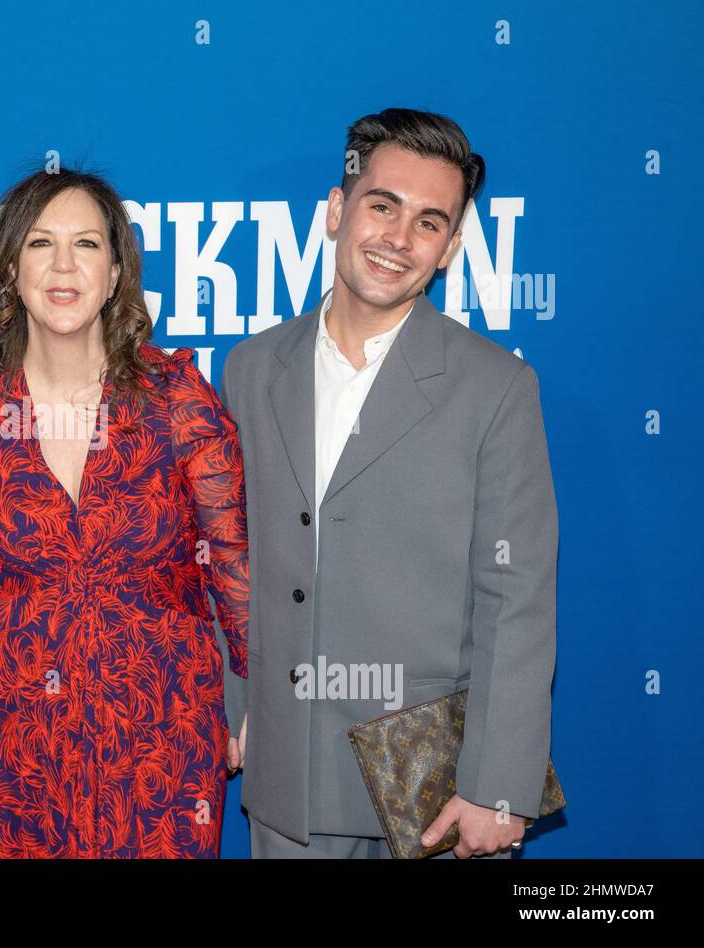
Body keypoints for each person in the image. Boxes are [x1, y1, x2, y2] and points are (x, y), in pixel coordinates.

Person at [221, 108, 559, 858]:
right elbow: (226, 557)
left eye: (429, 222)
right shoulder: (250, 369)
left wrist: (499, 784)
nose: (398, 239)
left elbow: (518, 597)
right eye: (382, 206)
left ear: (450, 248)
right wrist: (231, 706)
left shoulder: (496, 387)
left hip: (433, 793)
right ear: (338, 211)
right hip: (288, 782)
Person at [0, 166, 249, 858]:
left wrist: (252, 699)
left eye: (87, 244)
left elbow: (234, 567)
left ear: (115, 273)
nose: (65, 265)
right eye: (42, 244)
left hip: (165, 738)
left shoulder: (178, 400)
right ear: (10, 271)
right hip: (11, 746)